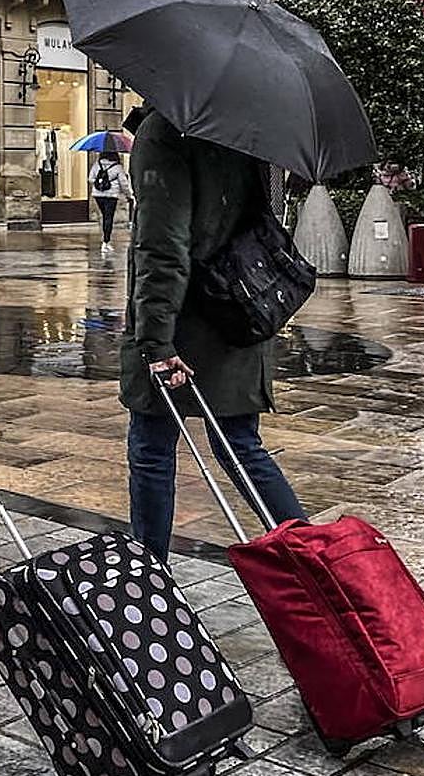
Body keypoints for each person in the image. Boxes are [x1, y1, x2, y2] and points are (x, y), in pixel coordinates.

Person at [122, 110, 308, 562]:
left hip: (186, 319)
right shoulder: (248, 127)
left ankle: (150, 575)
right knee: (241, 446)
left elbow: (163, 248)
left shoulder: (165, 132)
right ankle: (313, 561)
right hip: (243, 303)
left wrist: (155, 344)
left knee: (151, 447)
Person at [88, 150, 133, 254]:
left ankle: (105, 240)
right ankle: (106, 242)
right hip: (111, 196)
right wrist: (129, 195)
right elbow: (124, 184)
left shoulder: (96, 164)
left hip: (98, 195)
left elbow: (90, 179)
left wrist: (100, 183)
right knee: (109, 217)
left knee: (104, 217)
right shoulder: (117, 167)